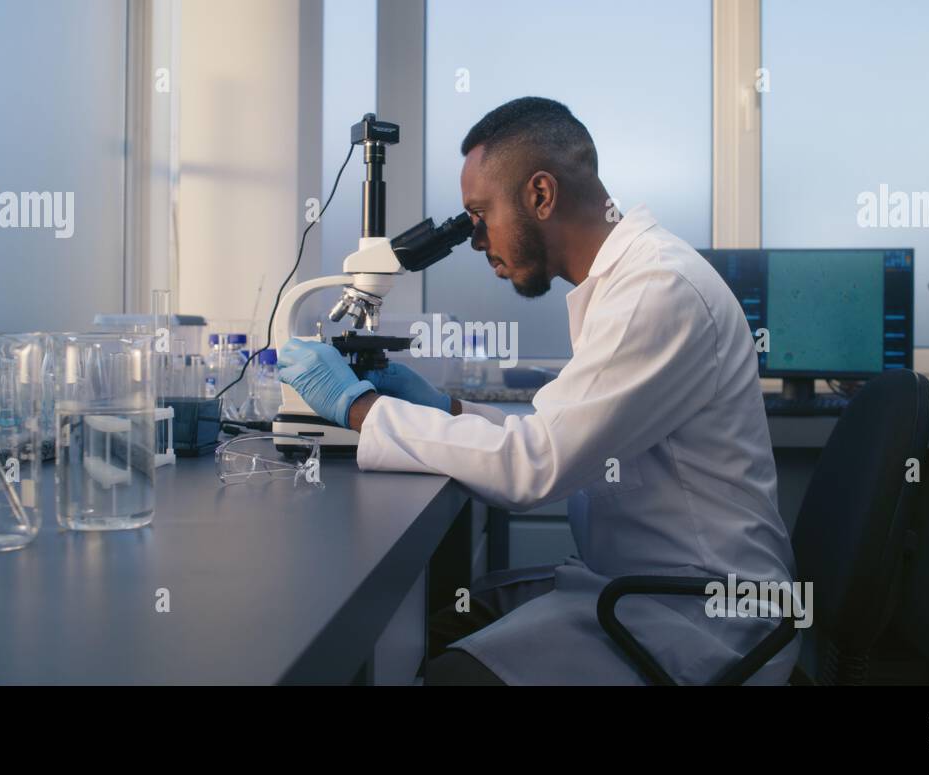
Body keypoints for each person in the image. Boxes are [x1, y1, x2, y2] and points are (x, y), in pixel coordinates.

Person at [279, 97, 798, 685]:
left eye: (480, 215)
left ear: (541, 195)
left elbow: (533, 468)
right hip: (638, 588)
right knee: (438, 622)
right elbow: (559, 434)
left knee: (446, 673)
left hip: (702, 618)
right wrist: (444, 407)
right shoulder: (625, 283)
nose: (475, 241)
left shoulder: (658, 290)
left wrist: (357, 407)